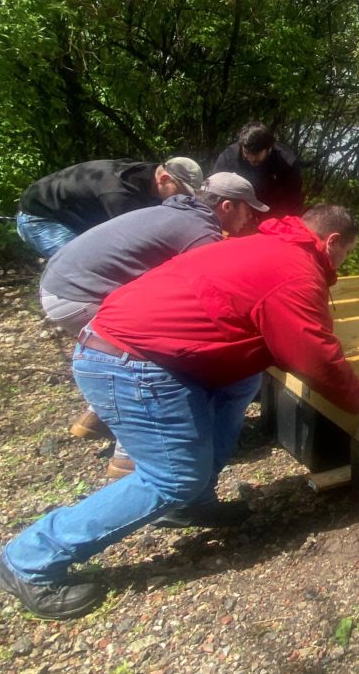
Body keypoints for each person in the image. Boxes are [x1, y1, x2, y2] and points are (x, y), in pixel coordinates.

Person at [0, 204, 359, 620]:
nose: (344, 263)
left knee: (242, 381)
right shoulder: (295, 273)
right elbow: (314, 360)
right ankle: (30, 559)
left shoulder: (264, 245)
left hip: (151, 350)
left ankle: (193, 505)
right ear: (332, 241)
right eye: (348, 253)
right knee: (172, 476)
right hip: (131, 362)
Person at [39, 172, 270, 477]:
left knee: (128, 349)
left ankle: (96, 418)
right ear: (227, 206)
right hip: (79, 294)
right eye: (246, 210)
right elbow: (207, 300)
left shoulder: (180, 212)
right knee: (145, 355)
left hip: (60, 283)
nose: (249, 218)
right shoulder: (201, 233)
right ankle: (129, 459)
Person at [15, 157, 205, 258]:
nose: (183, 198)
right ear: (164, 179)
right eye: (181, 191)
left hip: (75, 210)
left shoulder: (147, 173)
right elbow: (136, 245)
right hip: (41, 217)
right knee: (85, 267)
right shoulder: (118, 195)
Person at [211, 122, 303, 217]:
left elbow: (293, 203)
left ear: (269, 149)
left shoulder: (288, 164)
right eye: (246, 153)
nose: (251, 159)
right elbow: (213, 191)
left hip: (272, 215)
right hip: (237, 214)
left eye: (256, 155)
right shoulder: (228, 157)